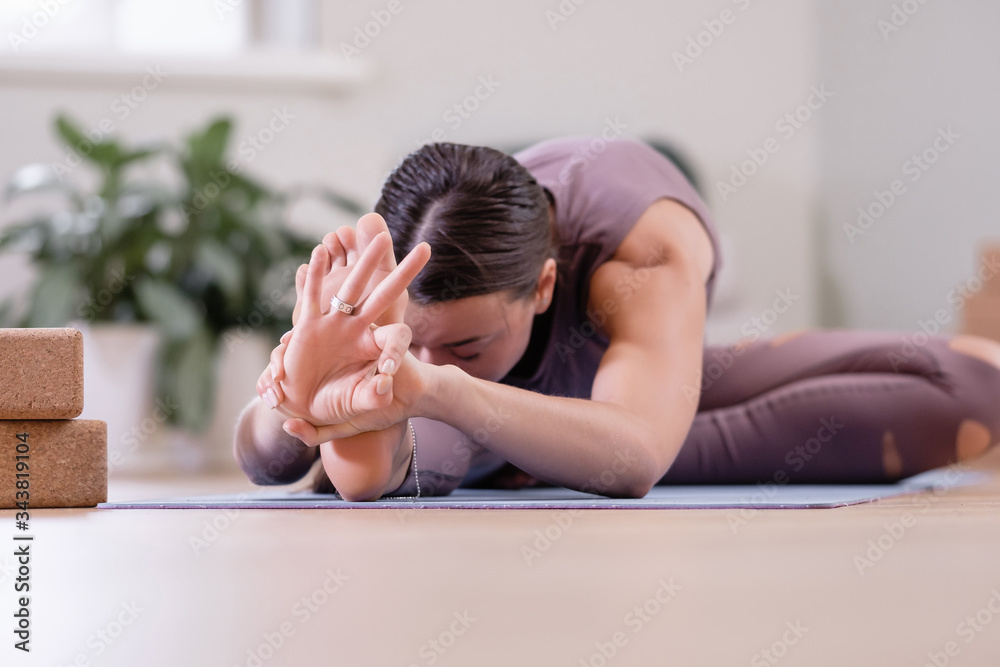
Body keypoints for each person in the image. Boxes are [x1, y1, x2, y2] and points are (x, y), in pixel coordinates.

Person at [233, 137, 1000, 501]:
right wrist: (298, 384)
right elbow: (269, 463)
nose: (432, 357)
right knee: (313, 442)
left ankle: (501, 444)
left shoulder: (640, 248)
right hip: (468, 423)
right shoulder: (411, 244)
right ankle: (319, 404)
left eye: (466, 344)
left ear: (542, 287)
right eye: (415, 336)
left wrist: (433, 388)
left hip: (623, 398)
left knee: (975, 384)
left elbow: (633, 458)